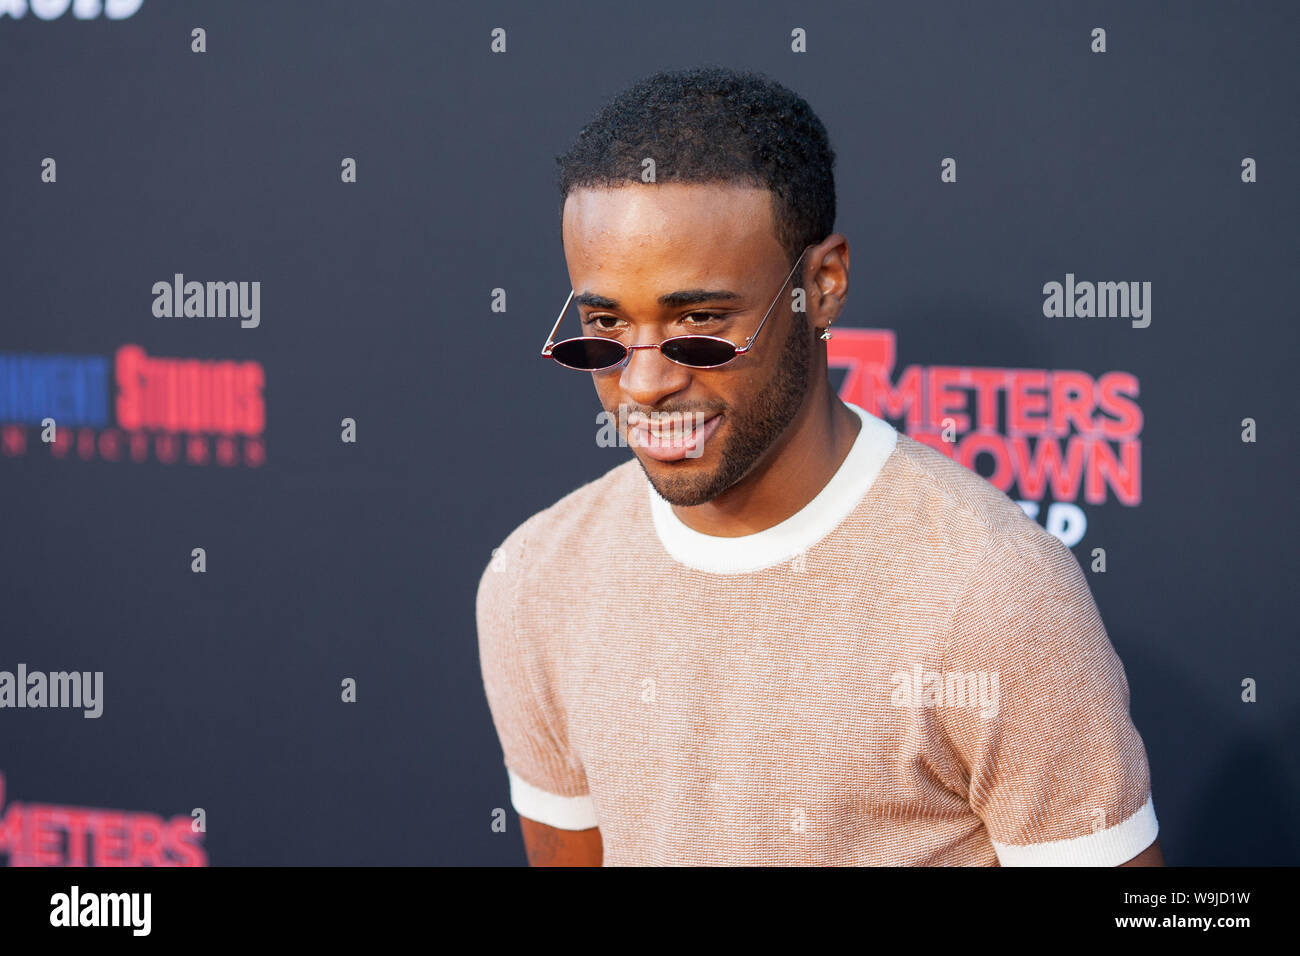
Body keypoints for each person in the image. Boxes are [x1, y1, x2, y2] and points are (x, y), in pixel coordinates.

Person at [476, 65, 1163, 867]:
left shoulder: (991, 590)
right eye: (603, 327)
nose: (644, 382)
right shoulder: (535, 580)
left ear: (822, 287)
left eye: (699, 322)